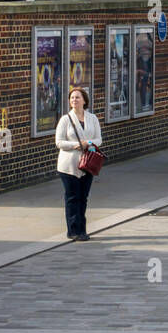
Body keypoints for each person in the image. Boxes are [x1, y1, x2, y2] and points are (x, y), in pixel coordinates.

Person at [55, 86, 102, 241]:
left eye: (77, 97)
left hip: (87, 163)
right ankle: (73, 230)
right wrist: (75, 145)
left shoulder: (92, 118)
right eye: (72, 98)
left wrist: (87, 143)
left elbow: (98, 140)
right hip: (68, 165)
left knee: (83, 197)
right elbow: (59, 142)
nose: (74, 100)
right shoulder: (65, 119)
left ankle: (82, 229)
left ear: (84, 100)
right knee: (72, 197)